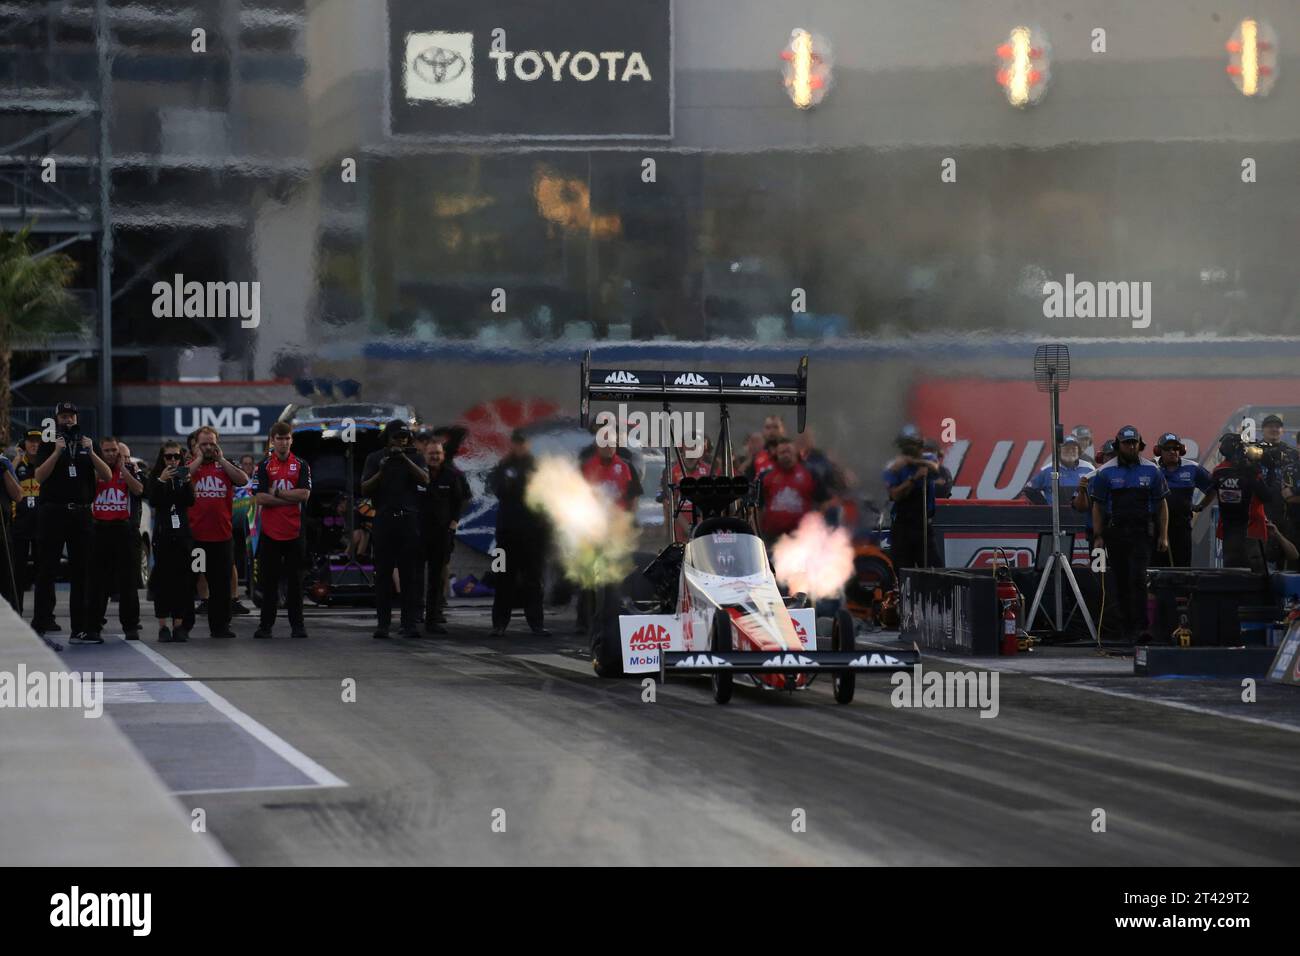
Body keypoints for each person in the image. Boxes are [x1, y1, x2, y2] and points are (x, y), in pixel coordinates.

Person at [32, 402, 111, 641]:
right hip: (53, 511)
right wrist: (57, 452)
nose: (68, 420)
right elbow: (38, 477)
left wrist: (93, 452)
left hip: (81, 513)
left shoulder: (88, 443)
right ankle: (41, 622)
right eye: (64, 416)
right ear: (56, 418)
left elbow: (106, 476)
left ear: (77, 418)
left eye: (71, 416)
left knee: (82, 572)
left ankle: (80, 627)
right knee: (46, 569)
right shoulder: (48, 443)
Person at [1089, 426, 1170, 643]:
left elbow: (1162, 505)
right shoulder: (1105, 472)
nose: (1131, 446)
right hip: (1115, 532)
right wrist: (1098, 536)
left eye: (1134, 442)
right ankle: (1125, 630)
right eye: (1126, 443)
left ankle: (1142, 628)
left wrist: (1163, 535)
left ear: (1140, 444)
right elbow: (1098, 506)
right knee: (1121, 580)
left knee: (1138, 578)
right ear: (1118, 445)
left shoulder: (1152, 470)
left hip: (1142, 532)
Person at [360, 420, 428, 639]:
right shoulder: (375, 458)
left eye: (405, 437)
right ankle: (383, 624)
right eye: (397, 437)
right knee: (383, 575)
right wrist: (382, 469)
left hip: (408, 521)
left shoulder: (415, 456)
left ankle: (409, 624)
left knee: (410, 575)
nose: (401, 441)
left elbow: (425, 479)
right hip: (384, 520)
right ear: (387, 438)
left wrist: (405, 458)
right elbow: (364, 488)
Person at [251, 422, 312, 640]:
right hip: (270, 531)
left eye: (287, 438)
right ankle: (265, 626)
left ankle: (298, 626)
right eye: (279, 438)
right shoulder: (264, 466)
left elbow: (304, 495)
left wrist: (276, 492)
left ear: (291, 440)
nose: (283, 442)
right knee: (269, 582)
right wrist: (288, 497)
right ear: (272, 440)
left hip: (295, 531)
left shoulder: (302, 465)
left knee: (296, 582)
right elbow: (260, 498)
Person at [186, 426, 249, 638]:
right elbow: (181, 477)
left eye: (212, 443)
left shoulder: (225, 466)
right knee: (190, 583)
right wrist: (198, 458)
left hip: (221, 538)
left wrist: (221, 460)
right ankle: (183, 626)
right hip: (196, 539)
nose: (208, 448)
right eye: (203, 444)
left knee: (221, 586)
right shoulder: (188, 466)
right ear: (195, 445)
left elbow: (243, 480)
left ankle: (220, 626)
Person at [487, 430, 550, 638]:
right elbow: (496, 489)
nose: (520, 447)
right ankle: (499, 624)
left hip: (533, 535)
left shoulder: (539, 466)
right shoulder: (503, 466)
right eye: (517, 443)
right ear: (512, 444)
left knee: (533, 579)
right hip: (506, 534)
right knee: (503, 577)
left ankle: (536, 624)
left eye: (524, 443)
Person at [85, 437, 144, 642]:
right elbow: (86, 493)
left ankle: (130, 625)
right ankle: (93, 626)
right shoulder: (94, 468)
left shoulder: (129, 469)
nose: (110, 454)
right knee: (97, 582)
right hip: (99, 529)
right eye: (107, 451)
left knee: (128, 582)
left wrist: (124, 469)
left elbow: (138, 490)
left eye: (113, 450)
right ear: (101, 452)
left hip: (123, 529)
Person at [416, 438, 469, 635]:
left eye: (438, 453)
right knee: (415, 577)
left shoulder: (453, 475)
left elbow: (463, 499)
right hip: (419, 534)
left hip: (442, 535)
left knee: (437, 579)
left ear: (443, 455)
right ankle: (413, 619)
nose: (435, 457)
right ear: (425, 455)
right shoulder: (417, 475)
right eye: (431, 453)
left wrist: (454, 522)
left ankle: (433, 619)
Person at [1198, 433, 1271, 573]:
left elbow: (1211, 492)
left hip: (1230, 531)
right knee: (1256, 575)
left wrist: (1199, 506)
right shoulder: (1250, 470)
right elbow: (1267, 497)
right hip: (1252, 530)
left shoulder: (1219, 471)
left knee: (1232, 573)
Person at [146, 441, 196, 642]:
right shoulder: (156, 476)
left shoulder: (184, 475)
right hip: (163, 534)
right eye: (169, 457)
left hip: (182, 534)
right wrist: (161, 480)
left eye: (176, 456)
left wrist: (186, 482)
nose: (173, 460)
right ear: (162, 458)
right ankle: (162, 625)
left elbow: (190, 501)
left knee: (182, 581)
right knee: (163, 580)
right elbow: (153, 500)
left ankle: (178, 623)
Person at [1149, 433, 1212, 569]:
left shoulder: (1193, 468)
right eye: (1167, 448)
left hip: (1182, 527)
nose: (1172, 451)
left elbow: (1212, 487)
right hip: (1156, 527)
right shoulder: (1152, 468)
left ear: (1181, 450)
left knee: (1182, 567)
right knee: (1156, 568)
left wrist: (1200, 506)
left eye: (1176, 448)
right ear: (1159, 451)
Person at [883, 426, 942, 569]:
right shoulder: (893, 466)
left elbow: (935, 467)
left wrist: (912, 462)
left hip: (923, 525)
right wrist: (913, 479)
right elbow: (895, 495)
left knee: (933, 568)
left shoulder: (928, 459)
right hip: (902, 525)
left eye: (912, 444)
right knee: (902, 568)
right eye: (905, 445)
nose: (909, 448)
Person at [757, 436, 828, 548]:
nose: (786, 455)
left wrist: (815, 527)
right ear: (777, 455)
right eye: (782, 452)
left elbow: (823, 503)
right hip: (772, 537)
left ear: (795, 452)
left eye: (788, 451)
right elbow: (758, 507)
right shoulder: (766, 476)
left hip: (801, 537)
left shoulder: (810, 474)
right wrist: (758, 533)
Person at [9, 428, 42, 616]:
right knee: (18, 573)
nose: (34, 444)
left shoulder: (46, 463)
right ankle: (16, 612)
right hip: (20, 526)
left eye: (37, 441)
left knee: (43, 574)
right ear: (24, 444)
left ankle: (45, 617)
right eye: (30, 441)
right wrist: (16, 458)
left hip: (42, 526)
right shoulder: (16, 464)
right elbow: (5, 477)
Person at [1023, 436, 1095, 506]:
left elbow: (1098, 490)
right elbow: (1029, 490)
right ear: (1059, 450)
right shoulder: (1048, 469)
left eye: (1073, 449)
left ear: (1079, 451)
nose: (1070, 451)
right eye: (1066, 449)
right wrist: (1045, 507)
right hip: (1056, 516)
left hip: (1082, 515)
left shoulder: (1089, 468)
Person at [1074, 439, 1115, 553]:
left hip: (1123, 535)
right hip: (1096, 535)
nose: (1113, 460)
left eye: (1116, 456)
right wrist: (1082, 492)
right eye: (1110, 456)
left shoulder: (1130, 477)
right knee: (1099, 570)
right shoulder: (1090, 478)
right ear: (1101, 457)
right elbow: (1080, 507)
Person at [581, 441, 643, 511]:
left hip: (618, 512)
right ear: (598, 447)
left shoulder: (626, 466)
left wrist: (629, 515)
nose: (609, 448)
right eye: (605, 445)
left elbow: (634, 496)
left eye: (611, 445)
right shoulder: (586, 465)